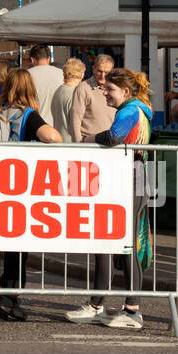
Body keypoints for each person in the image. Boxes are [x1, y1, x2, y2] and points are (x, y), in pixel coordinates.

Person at [0, 68, 59, 324]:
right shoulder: (27, 114)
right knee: (16, 245)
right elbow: (52, 137)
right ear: (30, 89)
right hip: (14, 190)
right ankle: (8, 300)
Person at [65, 67, 152, 330]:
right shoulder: (135, 108)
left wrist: (88, 139)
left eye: (110, 89)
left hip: (129, 181)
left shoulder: (130, 110)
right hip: (123, 180)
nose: (105, 93)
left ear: (125, 91)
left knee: (126, 245)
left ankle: (131, 309)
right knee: (105, 241)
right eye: (104, 88)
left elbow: (113, 137)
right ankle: (97, 304)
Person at [69, 53, 115, 143]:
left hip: (111, 144)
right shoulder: (83, 88)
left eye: (106, 72)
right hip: (90, 145)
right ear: (93, 69)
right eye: (99, 71)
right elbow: (75, 121)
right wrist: (80, 146)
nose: (102, 76)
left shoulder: (116, 89)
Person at [49, 59, 84, 143]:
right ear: (81, 74)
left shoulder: (58, 91)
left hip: (59, 140)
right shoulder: (74, 95)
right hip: (71, 143)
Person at [26, 45, 62, 119]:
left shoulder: (26, 75)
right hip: (57, 124)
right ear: (49, 59)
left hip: (34, 123)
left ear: (32, 59)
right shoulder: (62, 73)